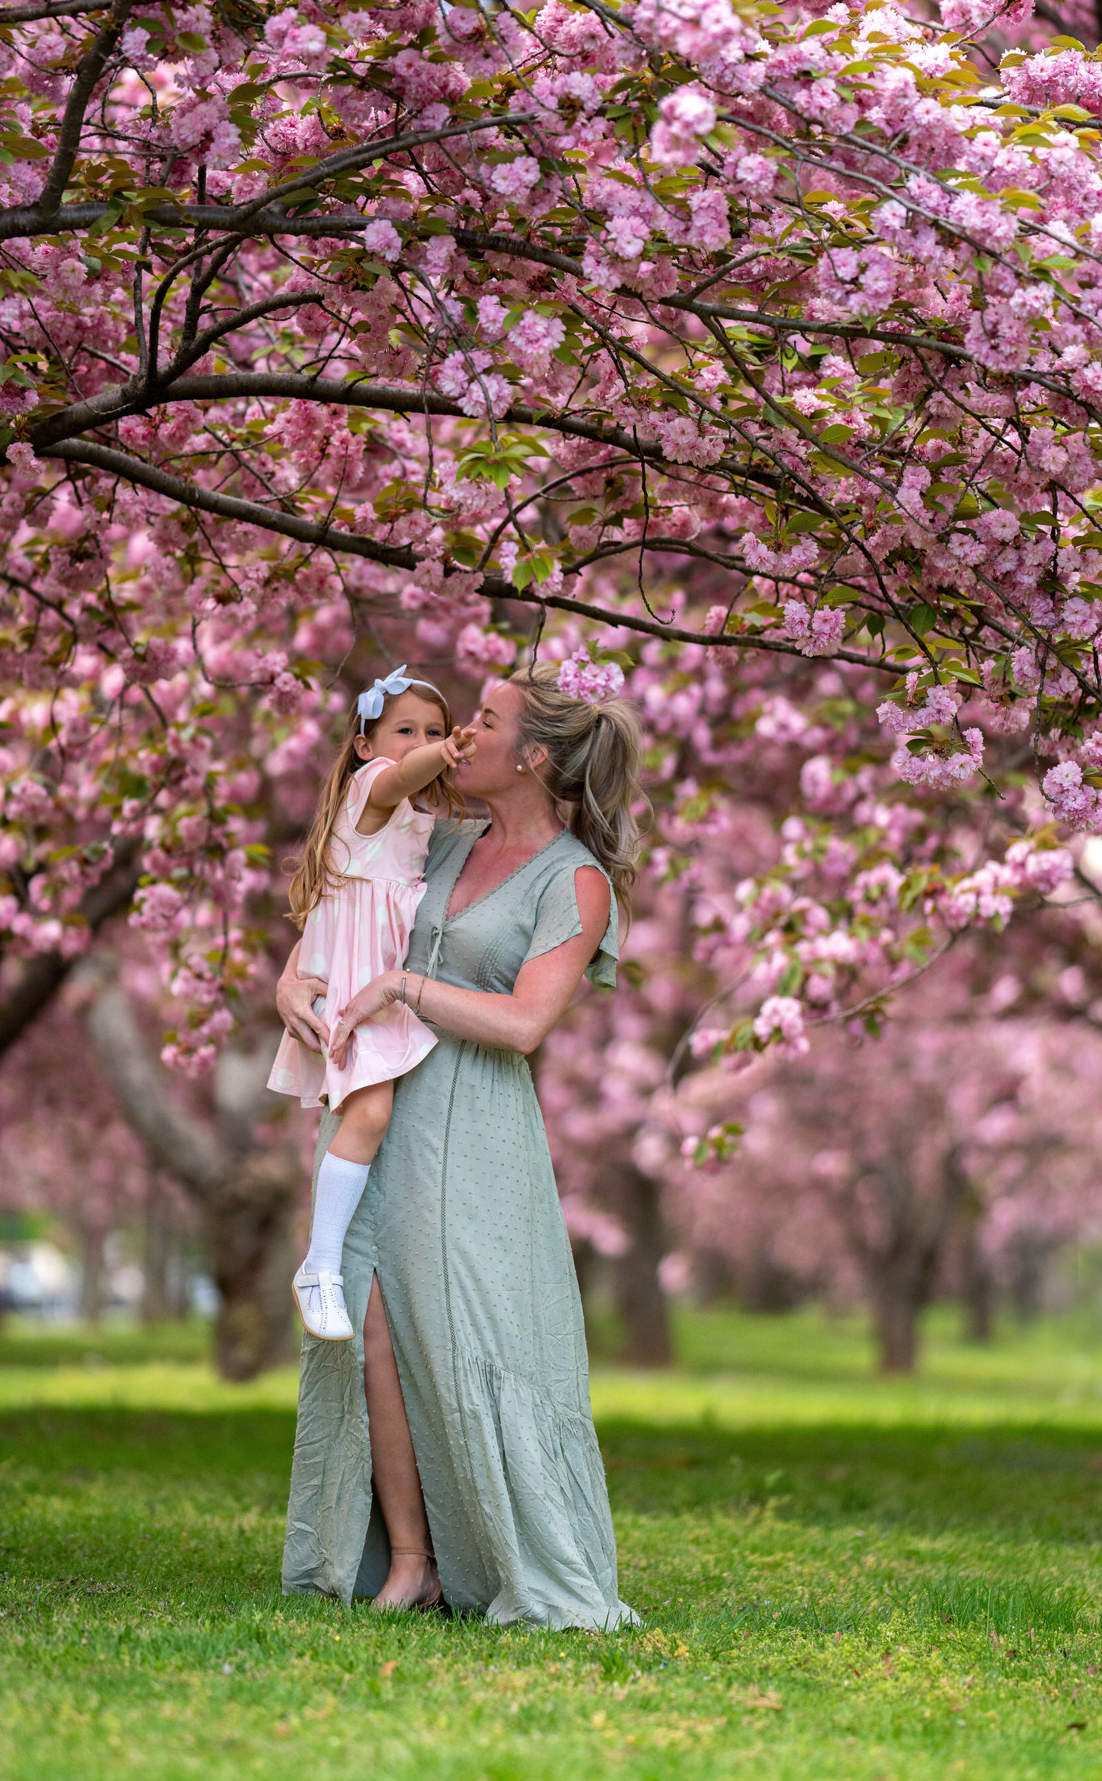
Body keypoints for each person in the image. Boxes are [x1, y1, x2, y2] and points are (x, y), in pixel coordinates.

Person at [275, 662, 644, 1623]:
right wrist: (292, 982)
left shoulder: (577, 881)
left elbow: (526, 1024)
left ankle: (502, 1554)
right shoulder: (439, 841)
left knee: (465, 1335)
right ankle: (407, 1562)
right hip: (378, 1105)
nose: (462, 735)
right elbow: (348, 903)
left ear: (531, 756)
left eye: (484, 721)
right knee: (376, 1338)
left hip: (473, 1123)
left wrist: (402, 990)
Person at [268, 666, 472, 1344]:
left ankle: (326, 1263)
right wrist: (437, 754)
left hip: (373, 979)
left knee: (374, 1115)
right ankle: (319, 1265)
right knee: (372, 1111)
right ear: (365, 745)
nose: (423, 743)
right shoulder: (372, 790)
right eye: (404, 731)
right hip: (358, 986)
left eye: (435, 731)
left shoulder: (418, 818)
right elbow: (398, 777)